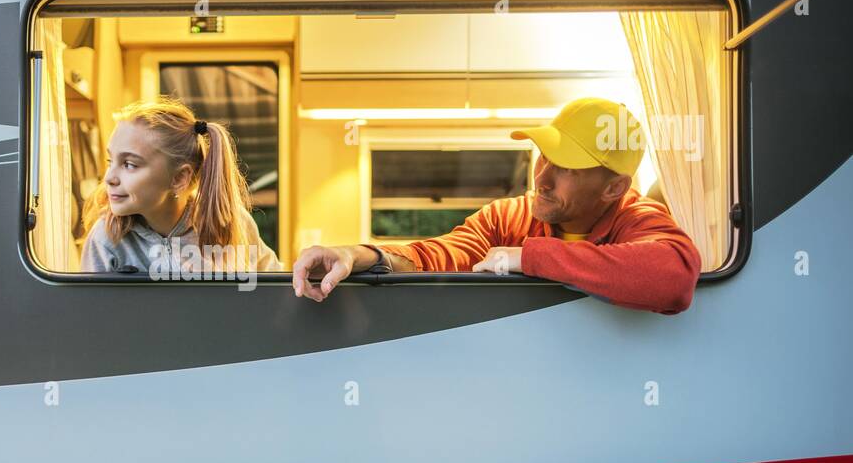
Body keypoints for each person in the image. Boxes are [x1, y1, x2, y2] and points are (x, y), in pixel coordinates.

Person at [291, 97, 702, 314]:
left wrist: (530, 257)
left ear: (614, 188)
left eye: (566, 170)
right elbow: (439, 254)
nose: (540, 179)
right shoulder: (509, 216)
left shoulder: (637, 217)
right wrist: (357, 254)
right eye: (543, 157)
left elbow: (673, 278)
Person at [80, 97, 281, 277]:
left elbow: (273, 287)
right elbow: (94, 313)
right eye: (110, 161)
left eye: (129, 164)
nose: (109, 178)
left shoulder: (230, 223)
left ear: (179, 178)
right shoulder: (106, 238)